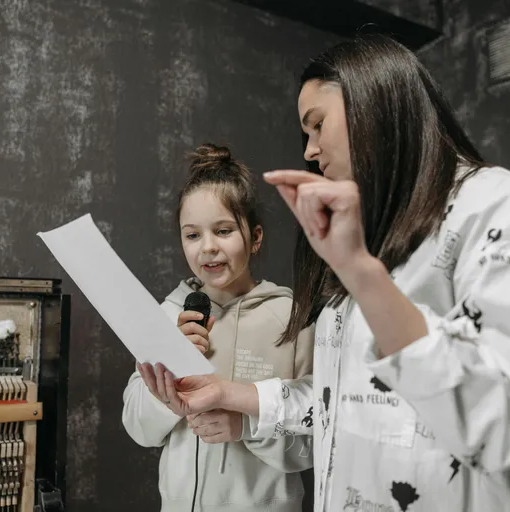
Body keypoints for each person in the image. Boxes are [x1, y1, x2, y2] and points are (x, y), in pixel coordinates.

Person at [143, 35, 510, 511]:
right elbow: (335, 402)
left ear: (374, 105)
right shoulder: (364, 236)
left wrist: (361, 272)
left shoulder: (489, 207)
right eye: (191, 235)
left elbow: (497, 420)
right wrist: (232, 395)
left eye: (318, 126)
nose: (311, 151)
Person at [122, 143, 315, 512]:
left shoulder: (291, 319)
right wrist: (169, 372)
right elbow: (137, 425)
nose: (207, 248)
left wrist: (246, 427)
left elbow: (314, 437)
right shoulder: (169, 314)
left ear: (254, 238)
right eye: (192, 235)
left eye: (223, 230)